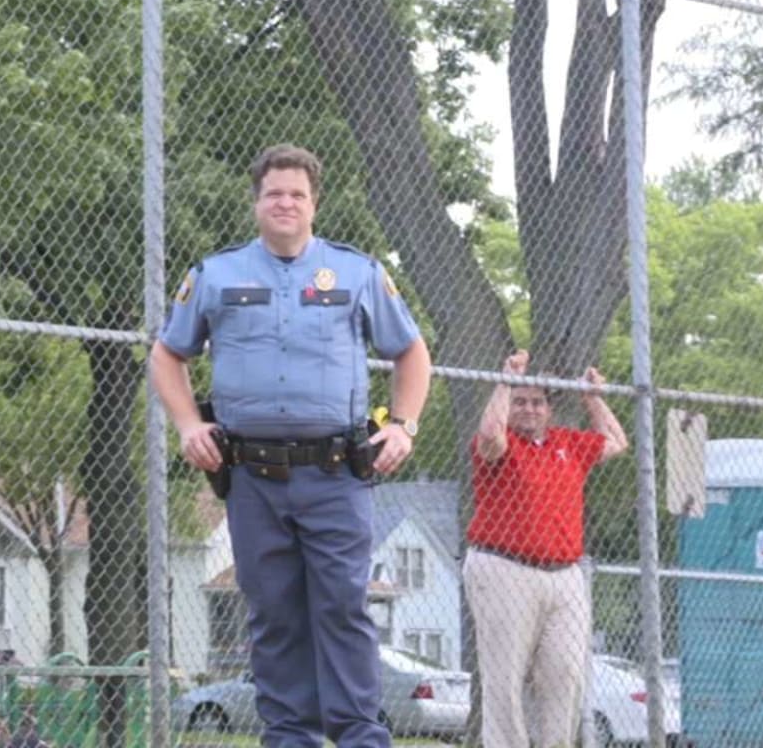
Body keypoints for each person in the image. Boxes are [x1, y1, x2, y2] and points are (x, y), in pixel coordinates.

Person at [149, 144, 432, 748]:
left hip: (337, 475)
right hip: (252, 479)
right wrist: (187, 426)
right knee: (273, 614)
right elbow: (168, 353)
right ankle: (289, 738)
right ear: (256, 202)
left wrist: (402, 424)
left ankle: (359, 737)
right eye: (274, 192)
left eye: (297, 194)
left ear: (313, 204)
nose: (285, 203)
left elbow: (411, 351)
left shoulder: (356, 273)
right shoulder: (215, 274)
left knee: (343, 609)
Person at [464, 349, 628, 748]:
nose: (529, 409)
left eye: (537, 402)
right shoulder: (500, 447)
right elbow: (489, 437)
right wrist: (506, 381)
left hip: (564, 575)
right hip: (504, 568)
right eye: (520, 402)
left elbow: (617, 442)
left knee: (566, 673)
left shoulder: (567, 444)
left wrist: (591, 397)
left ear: (549, 410)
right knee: (504, 677)